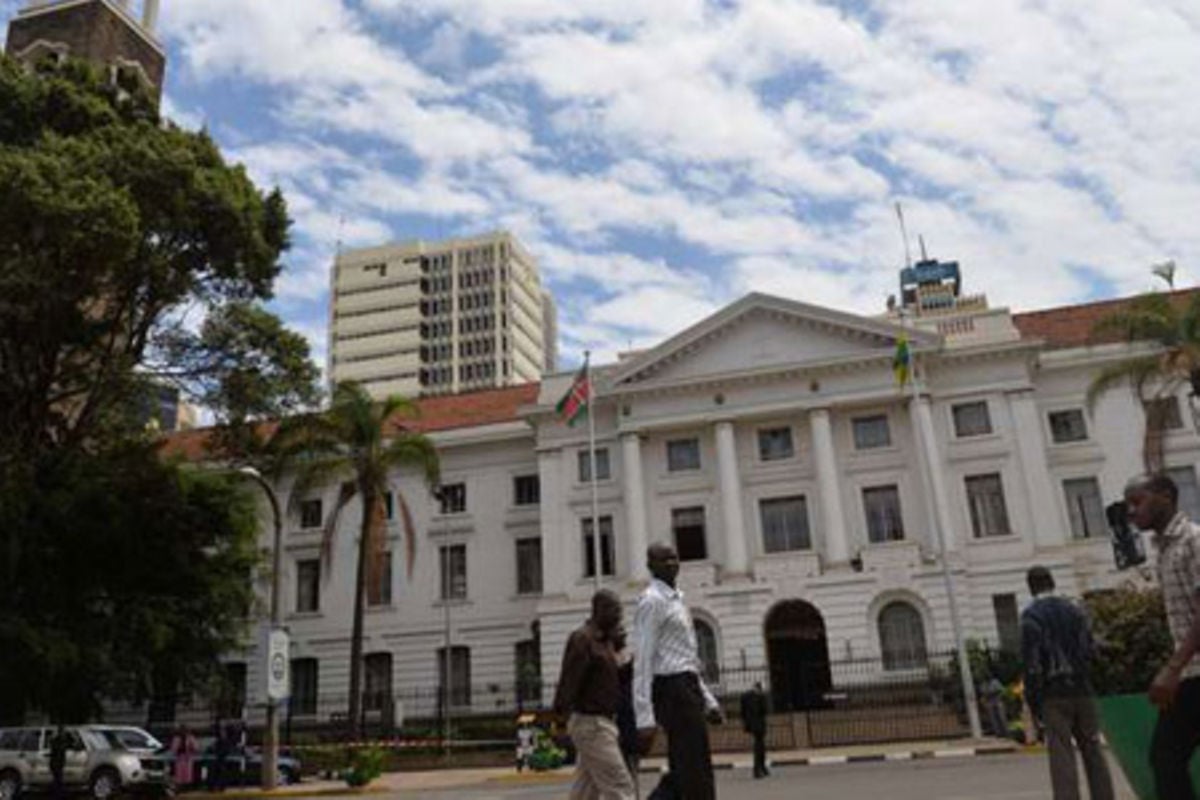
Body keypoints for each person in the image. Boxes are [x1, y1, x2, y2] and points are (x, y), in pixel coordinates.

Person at [1127, 474, 1200, 800]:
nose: (1132, 511)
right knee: (1166, 757)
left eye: (1137, 501)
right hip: (1191, 673)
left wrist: (1172, 668)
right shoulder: (1166, 549)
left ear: (1166, 496)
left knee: (1166, 757)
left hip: (1193, 673)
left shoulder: (1192, 541)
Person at [634, 543, 724, 800]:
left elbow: (687, 659)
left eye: (674, 557)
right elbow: (643, 660)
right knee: (692, 767)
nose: (672, 563)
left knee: (689, 765)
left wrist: (708, 700)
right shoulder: (652, 601)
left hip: (687, 685)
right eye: (664, 559)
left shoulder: (677, 600)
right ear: (651, 566)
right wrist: (644, 718)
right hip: (671, 690)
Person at [1020, 564, 1114, 800]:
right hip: (1082, 688)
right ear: (1052, 582)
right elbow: (1090, 649)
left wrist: (1033, 702)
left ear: (1030, 587)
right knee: (1092, 748)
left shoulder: (1031, 617)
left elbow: (1032, 664)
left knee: (1061, 753)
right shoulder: (1075, 610)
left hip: (1053, 694)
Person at [554, 589, 636, 800]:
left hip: (603, 723)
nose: (620, 616)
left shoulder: (606, 642)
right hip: (591, 725)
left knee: (585, 792)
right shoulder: (582, 639)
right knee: (620, 786)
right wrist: (560, 720)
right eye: (616, 611)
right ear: (600, 610)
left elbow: (614, 680)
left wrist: (627, 657)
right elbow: (569, 681)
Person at [739, 682, 770, 779]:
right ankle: (758, 769)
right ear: (759, 688)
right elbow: (765, 710)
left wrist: (746, 722)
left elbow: (742, 712)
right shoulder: (761, 696)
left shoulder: (745, 697)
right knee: (759, 747)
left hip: (750, 725)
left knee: (759, 745)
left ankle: (762, 768)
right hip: (759, 725)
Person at [170, 724, 198, 788]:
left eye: (185, 730)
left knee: (188, 773)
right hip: (179, 757)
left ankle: (187, 785)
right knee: (179, 773)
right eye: (182, 730)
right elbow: (173, 749)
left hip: (188, 757)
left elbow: (196, 747)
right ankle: (179, 785)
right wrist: (177, 748)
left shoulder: (190, 738)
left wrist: (192, 748)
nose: (183, 732)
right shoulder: (176, 738)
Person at [49, 725, 69, 800]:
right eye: (63, 732)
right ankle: (57, 795)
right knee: (58, 780)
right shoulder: (58, 741)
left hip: (57, 763)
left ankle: (56, 794)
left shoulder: (60, 740)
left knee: (57, 779)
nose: (64, 733)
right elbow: (57, 750)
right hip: (56, 763)